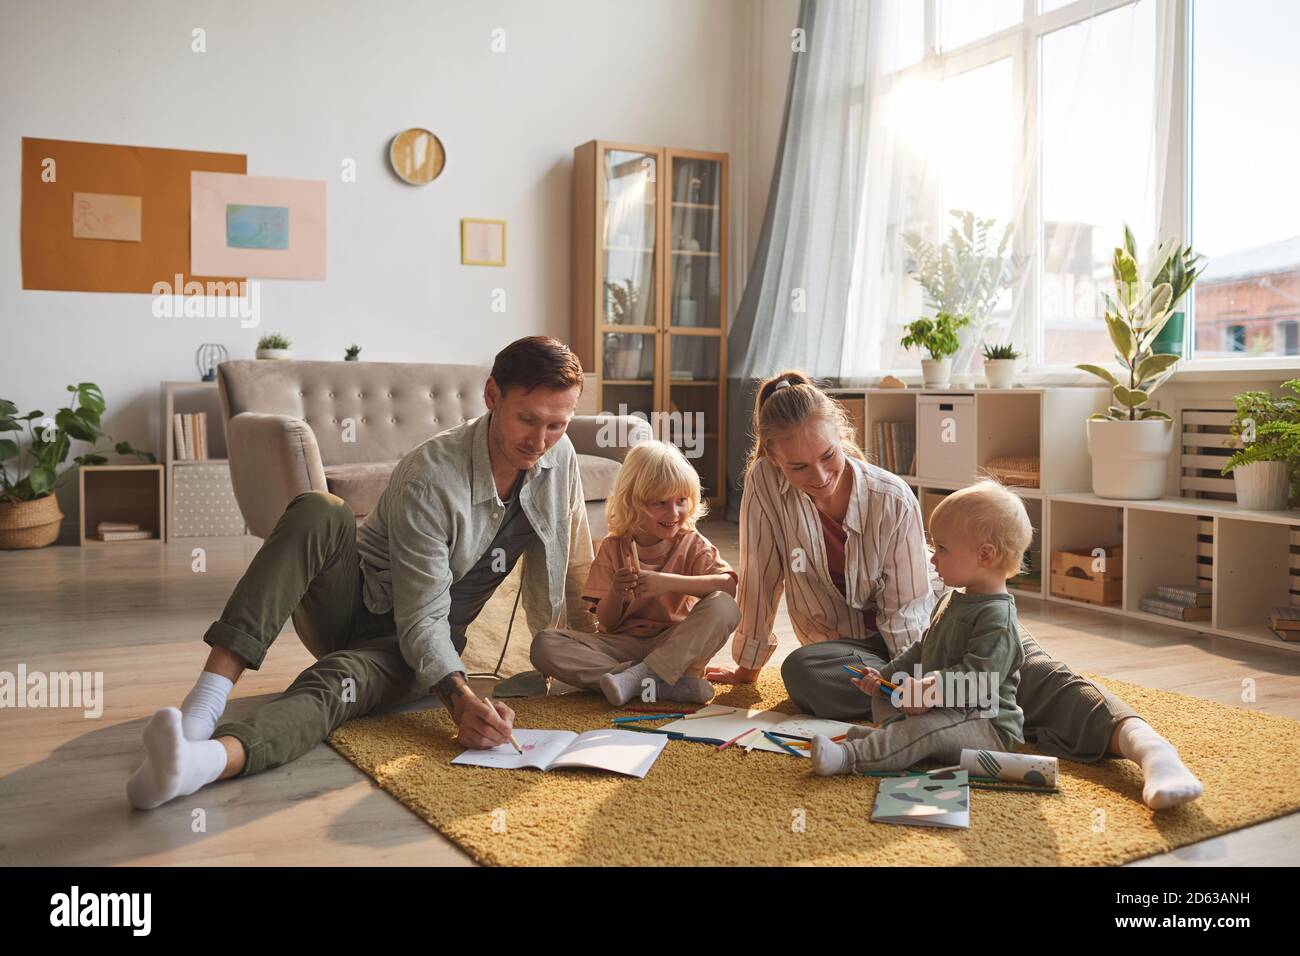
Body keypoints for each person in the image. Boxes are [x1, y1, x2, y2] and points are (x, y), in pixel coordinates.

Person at [127, 336, 596, 810]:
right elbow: (419, 616)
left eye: (557, 425)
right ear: (493, 396)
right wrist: (460, 702)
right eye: (528, 420)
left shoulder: (559, 460)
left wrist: (596, 647)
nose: (540, 442)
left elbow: (573, 559)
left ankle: (197, 764)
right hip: (359, 608)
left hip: (408, 655)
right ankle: (204, 706)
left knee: (336, 684)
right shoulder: (432, 475)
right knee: (318, 508)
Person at [709, 369, 1203, 810]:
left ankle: (1151, 749)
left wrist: (921, 690)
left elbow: (907, 620)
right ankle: (972, 714)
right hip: (857, 651)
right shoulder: (763, 486)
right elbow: (761, 569)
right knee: (804, 670)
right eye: (797, 468)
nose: (817, 476)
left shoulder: (891, 498)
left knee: (1036, 674)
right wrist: (749, 664)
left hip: (935, 631)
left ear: (842, 434)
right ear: (773, 459)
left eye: (827, 456)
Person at [810, 479, 1029, 775]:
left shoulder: (997, 618)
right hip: (950, 710)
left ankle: (850, 758)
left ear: (985, 555)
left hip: (986, 726)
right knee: (891, 703)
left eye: (941, 548)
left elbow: (979, 680)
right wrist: (885, 678)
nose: (933, 557)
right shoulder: (953, 598)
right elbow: (923, 647)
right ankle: (888, 740)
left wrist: (930, 688)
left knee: (924, 727)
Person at [531, 440, 739, 705]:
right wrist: (617, 593)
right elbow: (607, 623)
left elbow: (729, 587)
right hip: (622, 648)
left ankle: (641, 677)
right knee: (544, 644)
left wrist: (666, 583)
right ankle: (656, 684)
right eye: (660, 503)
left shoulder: (692, 543)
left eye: (681, 501)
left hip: (675, 646)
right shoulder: (613, 547)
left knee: (724, 606)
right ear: (633, 502)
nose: (673, 512)